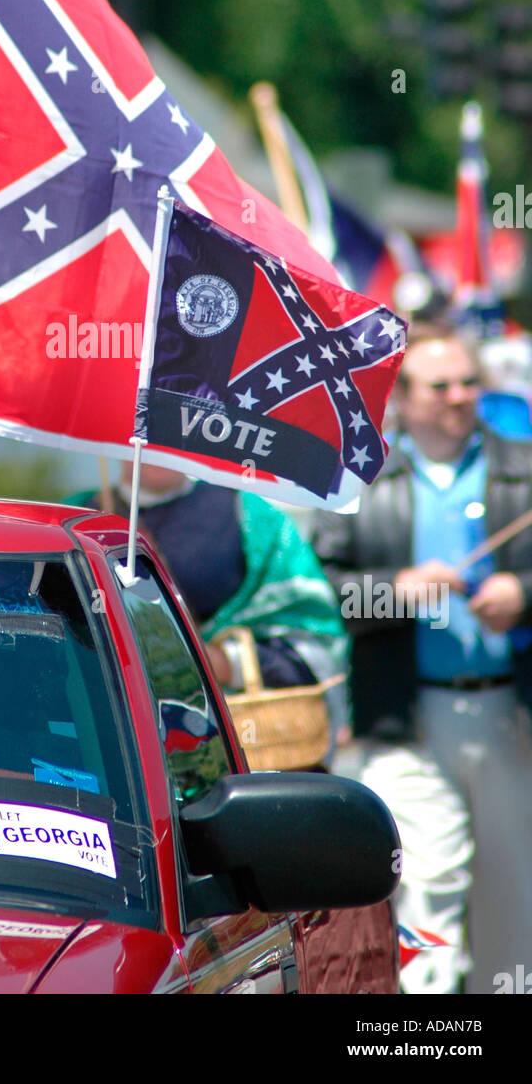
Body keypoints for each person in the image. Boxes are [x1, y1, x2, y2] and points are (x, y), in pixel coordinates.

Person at [310, 322, 532, 994]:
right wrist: (394, 594)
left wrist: (523, 594)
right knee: (429, 881)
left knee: (511, 894)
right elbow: (322, 597)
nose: (459, 396)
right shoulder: (360, 481)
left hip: (507, 714)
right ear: (402, 398)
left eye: (469, 382)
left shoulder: (523, 468)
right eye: (440, 385)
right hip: (403, 717)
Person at [72, 462, 348, 762]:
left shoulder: (248, 515)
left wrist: (223, 662)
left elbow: (311, 641)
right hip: (114, 747)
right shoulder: (76, 518)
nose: (154, 440)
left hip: (232, 743)